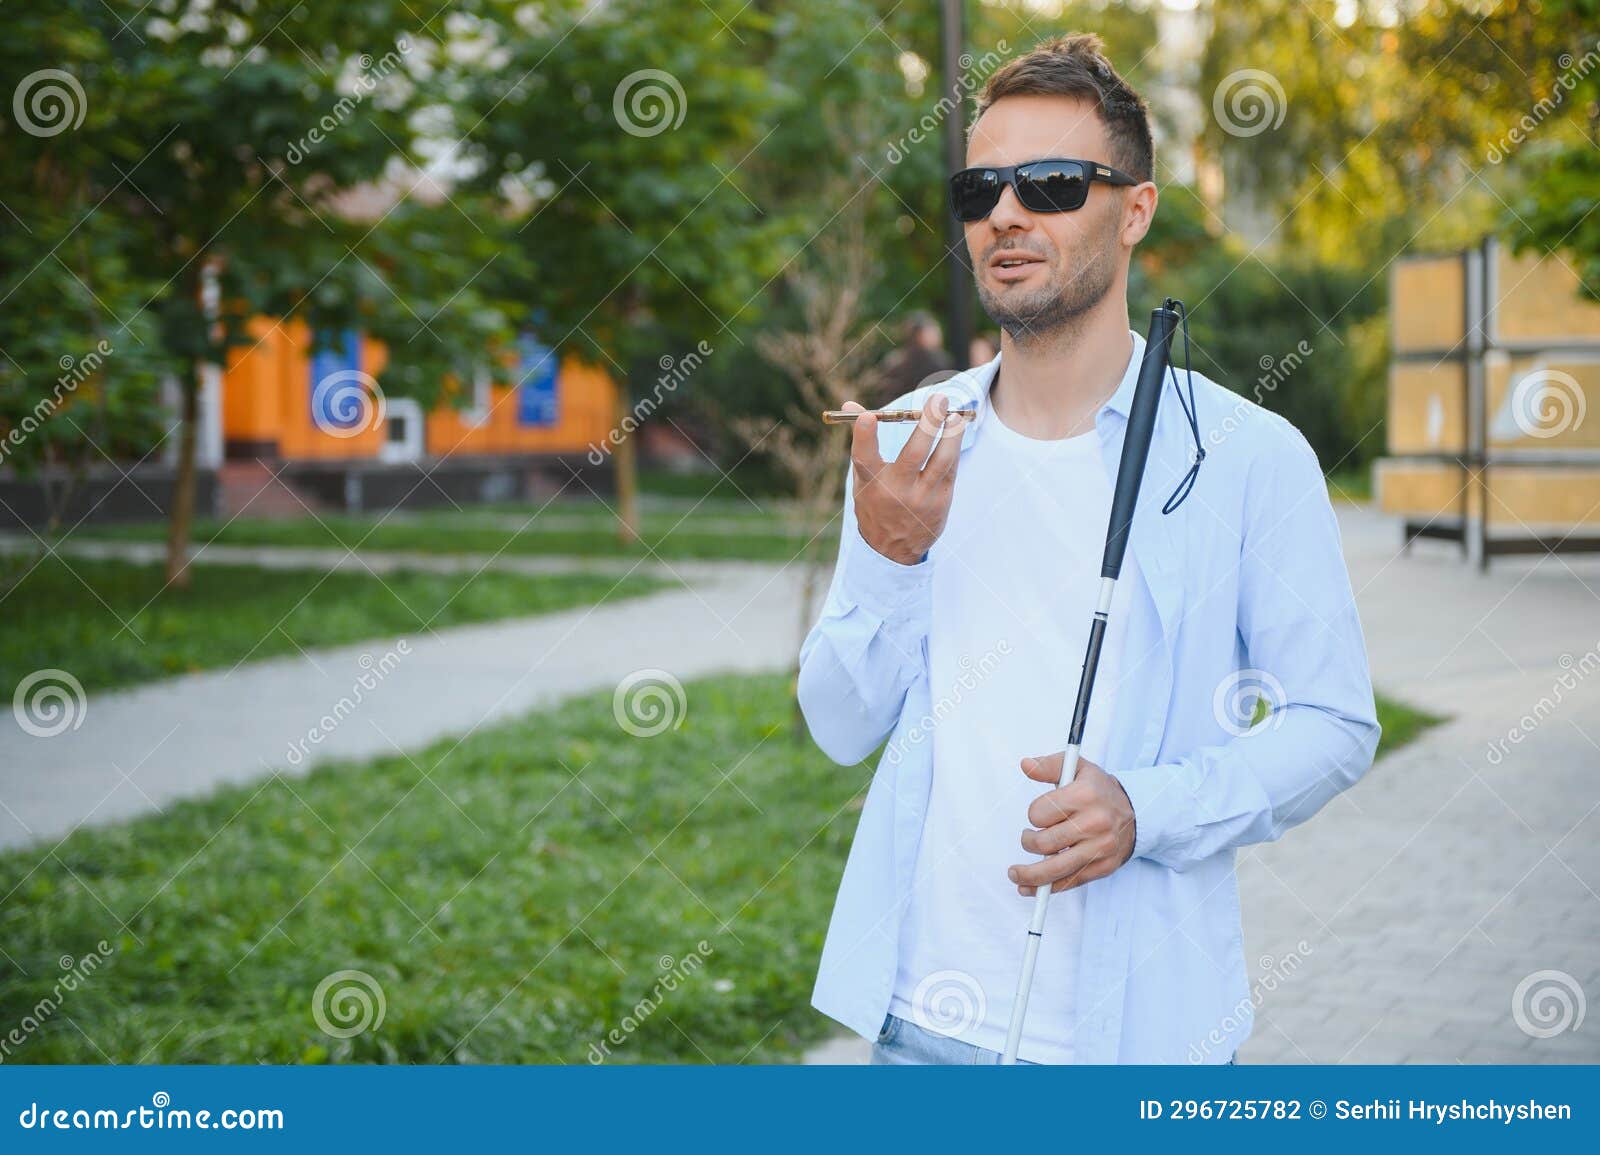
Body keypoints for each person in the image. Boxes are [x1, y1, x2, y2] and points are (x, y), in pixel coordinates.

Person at [797, 34, 1378, 1065]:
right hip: (918, 1032)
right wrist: (889, 558)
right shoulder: (907, 444)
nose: (1007, 216)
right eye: (979, 190)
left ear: (1136, 208)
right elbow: (838, 728)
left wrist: (1144, 808)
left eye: (1054, 183)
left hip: (1144, 1043)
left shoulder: (1245, 458)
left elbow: (1331, 723)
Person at [875, 311, 954, 405]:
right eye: (931, 332)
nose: (937, 335)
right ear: (918, 335)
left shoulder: (896, 359)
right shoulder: (897, 361)